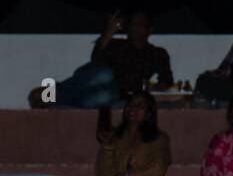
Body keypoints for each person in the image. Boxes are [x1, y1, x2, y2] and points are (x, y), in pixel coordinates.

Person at [30, 10, 173, 109]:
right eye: (132, 25)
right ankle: (54, 91)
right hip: (94, 78)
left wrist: (148, 87)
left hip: (118, 91)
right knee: (104, 75)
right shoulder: (117, 44)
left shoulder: (157, 53)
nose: (135, 28)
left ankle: (54, 99)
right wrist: (109, 32)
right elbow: (95, 58)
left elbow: (167, 81)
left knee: (105, 97)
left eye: (140, 25)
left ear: (150, 29)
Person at [69, 91, 172, 176]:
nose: (133, 108)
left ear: (149, 114)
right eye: (130, 104)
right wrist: (107, 147)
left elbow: (159, 168)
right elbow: (103, 174)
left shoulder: (159, 139)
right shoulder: (114, 137)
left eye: (140, 106)